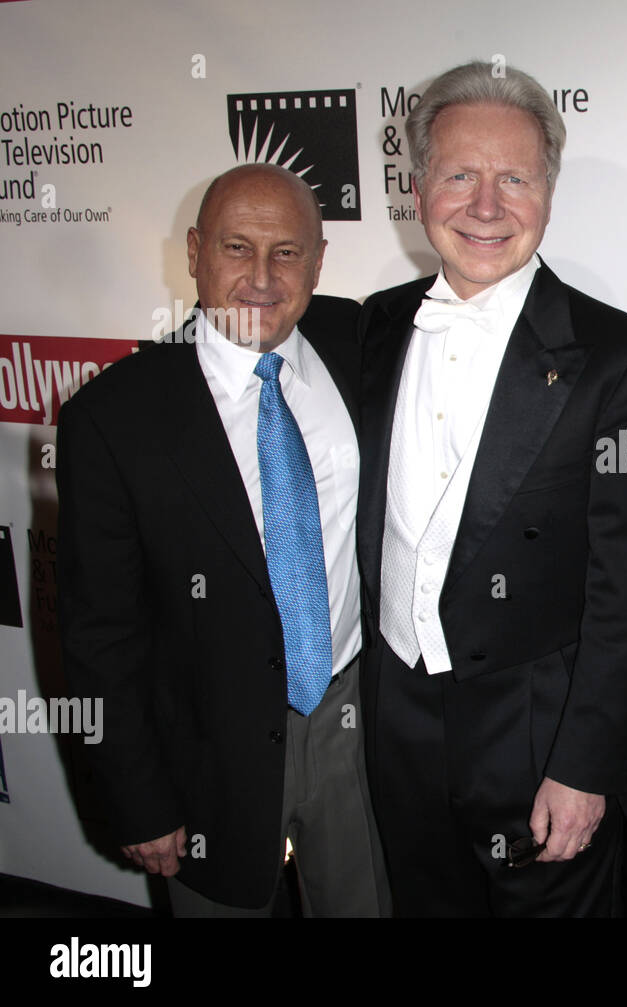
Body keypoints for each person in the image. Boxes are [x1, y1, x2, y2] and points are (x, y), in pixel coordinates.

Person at [358, 61, 627, 916]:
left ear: (549, 193)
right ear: (418, 188)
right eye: (460, 175)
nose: (486, 206)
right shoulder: (371, 326)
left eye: (515, 179)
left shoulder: (623, 360)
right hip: (398, 731)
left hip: (541, 743)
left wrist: (583, 764)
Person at [57, 163, 388, 916]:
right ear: (196, 251)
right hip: (206, 756)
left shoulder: (362, 343)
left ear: (319, 260)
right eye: (238, 248)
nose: (262, 278)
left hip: (355, 728)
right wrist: (138, 798)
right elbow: (101, 633)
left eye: (287, 252)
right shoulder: (113, 419)